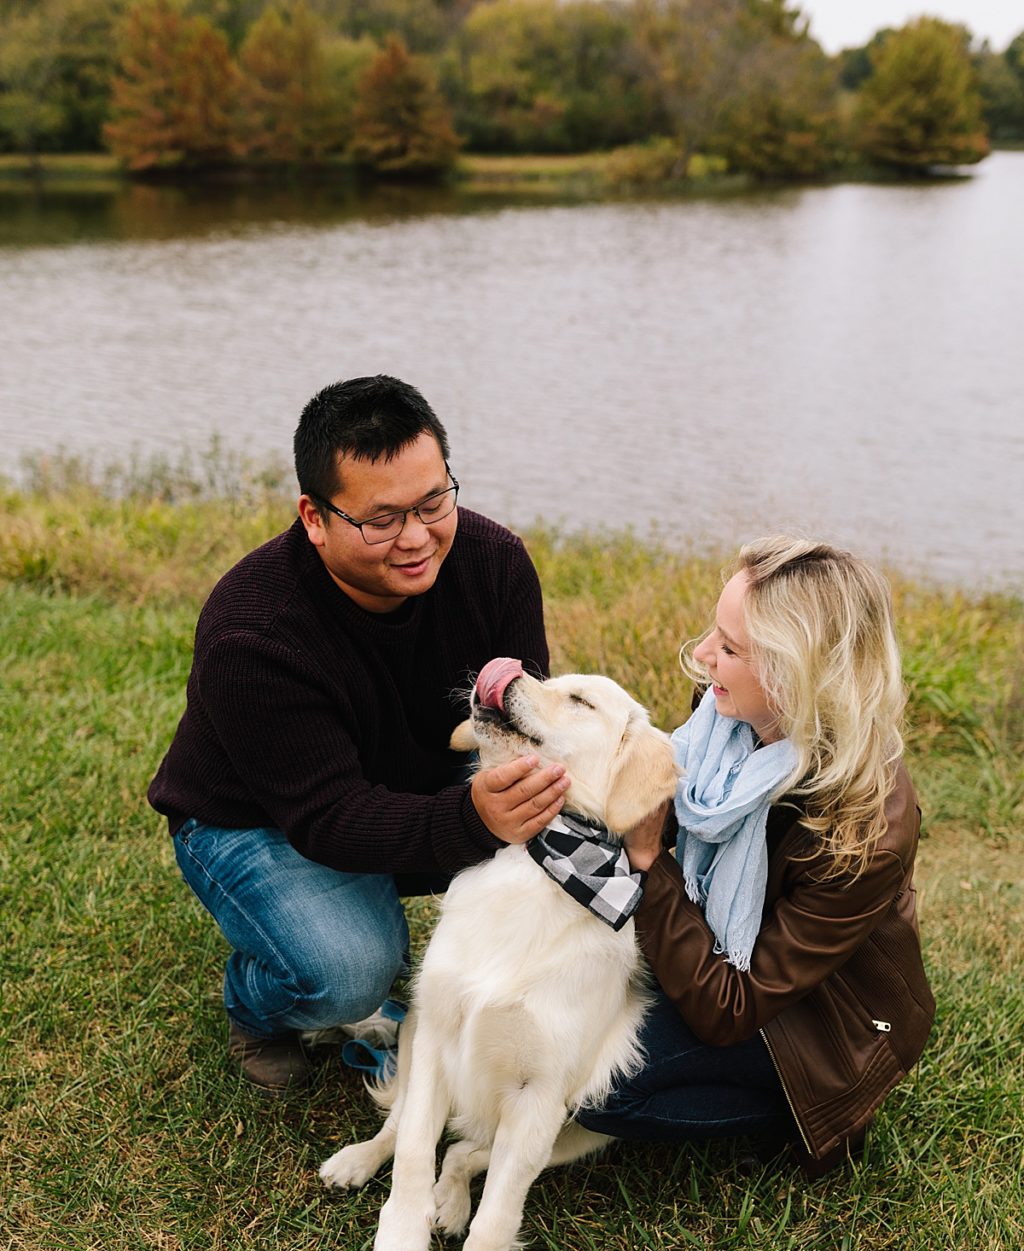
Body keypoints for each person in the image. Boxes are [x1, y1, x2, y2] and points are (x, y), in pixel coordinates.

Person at [148, 375, 567, 1095]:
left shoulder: (496, 564)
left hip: (413, 787)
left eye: (434, 501)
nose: (417, 537)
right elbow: (328, 818)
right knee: (351, 974)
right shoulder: (253, 634)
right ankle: (256, 1002)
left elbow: (520, 728)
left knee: (582, 841)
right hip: (256, 821)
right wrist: (471, 820)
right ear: (314, 517)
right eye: (382, 520)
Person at [576, 535, 935, 1175]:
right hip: (718, 951)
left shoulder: (865, 836)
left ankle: (803, 1111)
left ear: (799, 675)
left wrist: (649, 855)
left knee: (592, 1088)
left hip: (814, 1023)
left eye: (731, 648)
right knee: (564, 1017)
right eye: (715, 632)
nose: (703, 656)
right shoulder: (727, 719)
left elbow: (730, 1007)